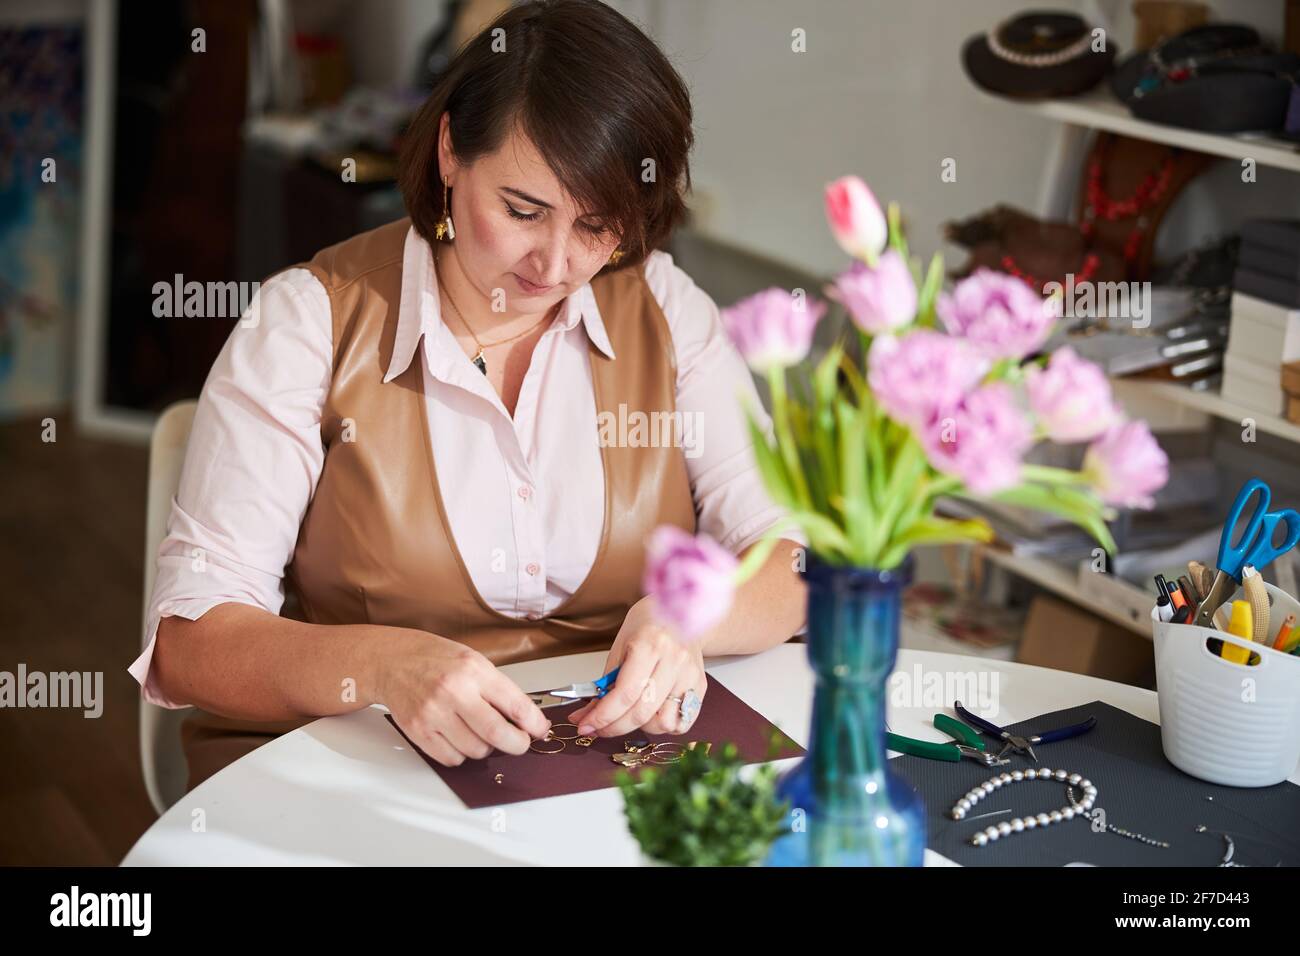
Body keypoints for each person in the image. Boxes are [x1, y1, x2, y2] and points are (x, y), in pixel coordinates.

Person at [130, 0, 807, 793]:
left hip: (593, 779)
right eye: (523, 211)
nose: (555, 265)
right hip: (355, 769)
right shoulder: (311, 320)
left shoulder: (662, 306)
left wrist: (695, 615)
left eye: (599, 226)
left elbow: (793, 557)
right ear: (451, 151)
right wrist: (382, 665)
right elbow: (190, 645)